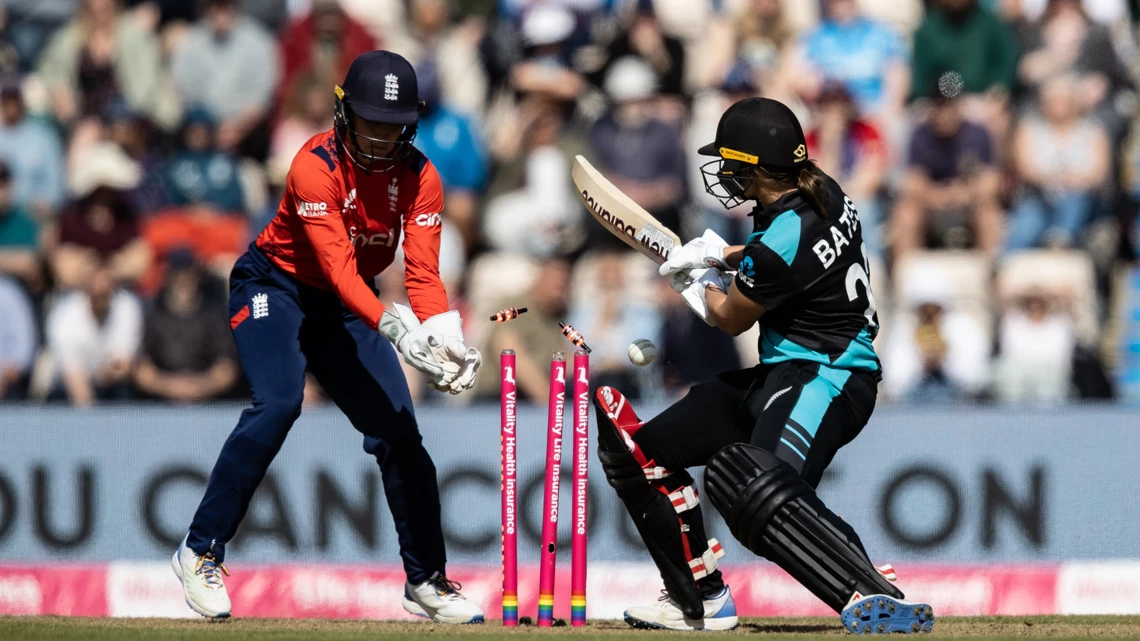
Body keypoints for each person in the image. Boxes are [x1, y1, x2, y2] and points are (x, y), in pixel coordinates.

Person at [594, 97, 933, 633]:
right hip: (784, 373)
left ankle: (866, 585)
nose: (723, 173)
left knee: (751, 484)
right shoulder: (823, 190)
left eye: (729, 162)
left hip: (829, 378)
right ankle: (697, 599)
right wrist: (720, 254)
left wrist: (696, 283)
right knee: (640, 453)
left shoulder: (779, 245)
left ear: (752, 168)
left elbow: (730, 318)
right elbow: (774, 251)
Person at [172, 51, 485, 624]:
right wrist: (394, 327)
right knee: (280, 402)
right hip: (275, 285)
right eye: (369, 123)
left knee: (400, 434)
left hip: (345, 303)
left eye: (392, 128)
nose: (379, 139)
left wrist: (446, 333)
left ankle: (427, 581)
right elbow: (338, 268)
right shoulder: (312, 165)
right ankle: (200, 550)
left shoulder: (421, 178)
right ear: (344, 114)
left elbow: (422, 274)